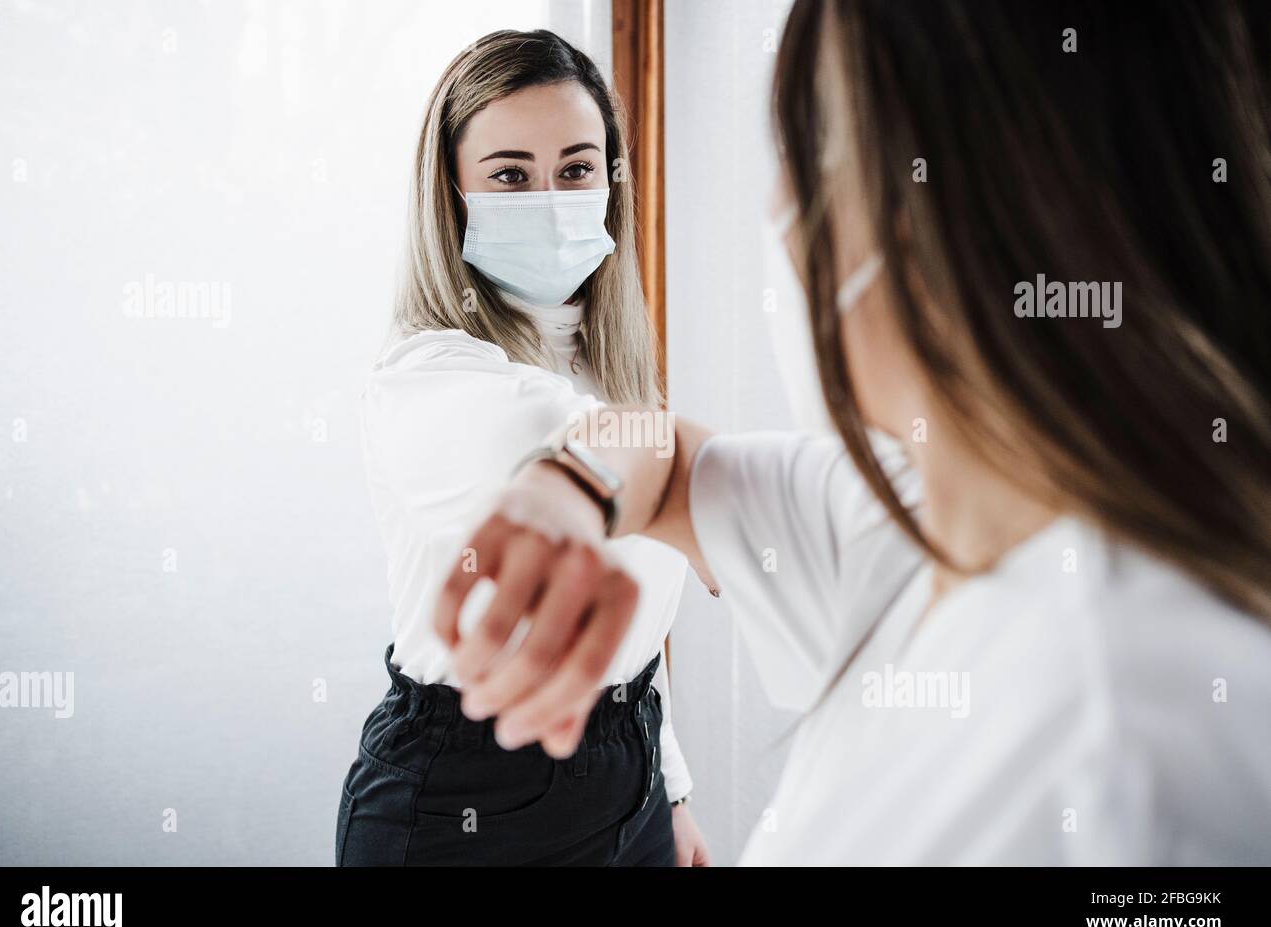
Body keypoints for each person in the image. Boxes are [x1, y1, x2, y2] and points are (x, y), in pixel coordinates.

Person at [434, 0, 1271, 864]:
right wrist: (569, 489)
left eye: (811, 146)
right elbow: (671, 461)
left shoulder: (1122, 759)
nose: (782, 210)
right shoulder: (923, 515)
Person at [336, 29, 709, 866]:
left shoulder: (601, 359)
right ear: (451, 193)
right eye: (510, 175)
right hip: (472, 798)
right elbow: (636, 461)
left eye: (577, 170)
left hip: (628, 760)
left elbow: (630, 613)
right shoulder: (428, 379)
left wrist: (668, 789)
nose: (551, 198)